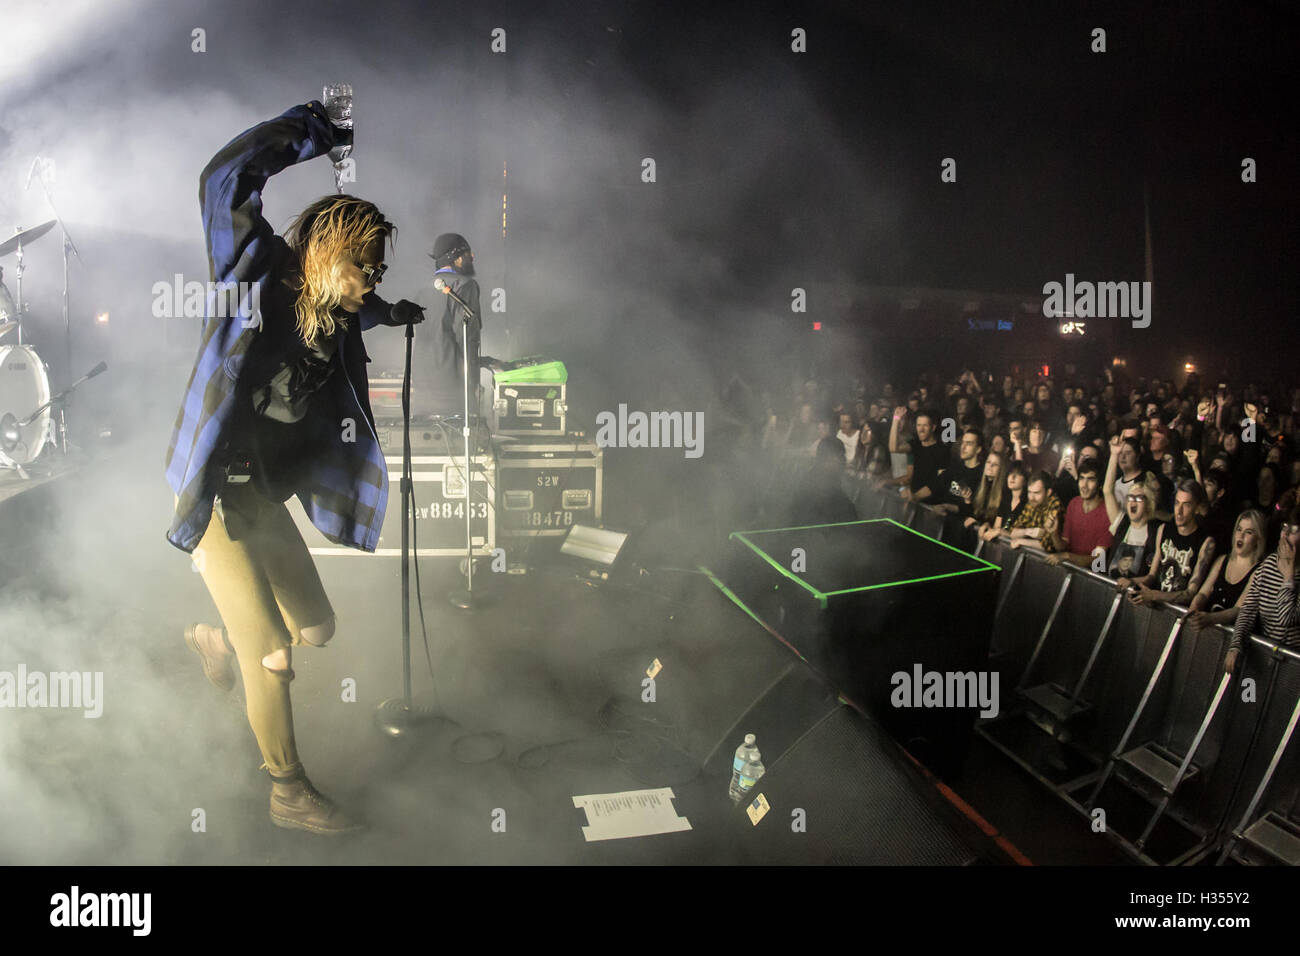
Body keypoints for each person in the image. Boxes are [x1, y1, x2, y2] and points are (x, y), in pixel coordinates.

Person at [165, 99, 425, 835]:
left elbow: (354, 308)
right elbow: (225, 177)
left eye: (376, 271)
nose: (367, 281)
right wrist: (317, 127)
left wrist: (392, 310)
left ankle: (217, 638)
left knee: (316, 632)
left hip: (263, 498)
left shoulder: (341, 306)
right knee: (277, 656)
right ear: (319, 254)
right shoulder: (259, 272)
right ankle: (288, 790)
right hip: (217, 495)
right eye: (361, 267)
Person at [1224, 505, 1300, 673]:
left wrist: (1289, 577)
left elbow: (1287, 618)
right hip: (1263, 661)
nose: (1285, 535)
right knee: (1248, 698)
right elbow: (1248, 610)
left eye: (1293, 531)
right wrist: (1235, 646)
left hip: (1292, 670)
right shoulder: (1268, 565)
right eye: (1284, 528)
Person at [1118, 480, 1216, 608]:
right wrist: (1131, 581)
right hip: (1156, 608)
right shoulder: (1163, 530)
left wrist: (1154, 595)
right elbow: (1152, 575)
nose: (1179, 511)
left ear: (1197, 508)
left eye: (1186, 505)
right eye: (1177, 503)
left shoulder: (1206, 542)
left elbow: (1190, 593)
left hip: (1178, 612)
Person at [1187, 509, 1266, 630]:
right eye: (1239, 529)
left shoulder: (1259, 571)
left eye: (1248, 532)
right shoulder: (1222, 560)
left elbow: (1238, 610)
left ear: (1258, 539)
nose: (1241, 535)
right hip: (1206, 630)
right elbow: (1203, 593)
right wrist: (1193, 609)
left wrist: (1211, 619)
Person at [1043, 458, 1114, 567]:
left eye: (1091, 479)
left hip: (1092, 577)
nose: (1084, 485)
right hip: (1069, 569)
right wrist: (1054, 534)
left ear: (1100, 484)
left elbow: (1098, 560)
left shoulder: (1108, 512)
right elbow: (1062, 547)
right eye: (1081, 478)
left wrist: (1067, 556)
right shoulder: (1074, 503)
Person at [1006, 471, 1062, 550]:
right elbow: (1012, 532)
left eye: (1036, 493)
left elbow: (1049, 544)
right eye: (1029, 492)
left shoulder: (1055, 504)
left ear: (1048, 492)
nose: (1031, 498)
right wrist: (1028, 531)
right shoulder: (1031, 503)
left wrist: (1021, 541)